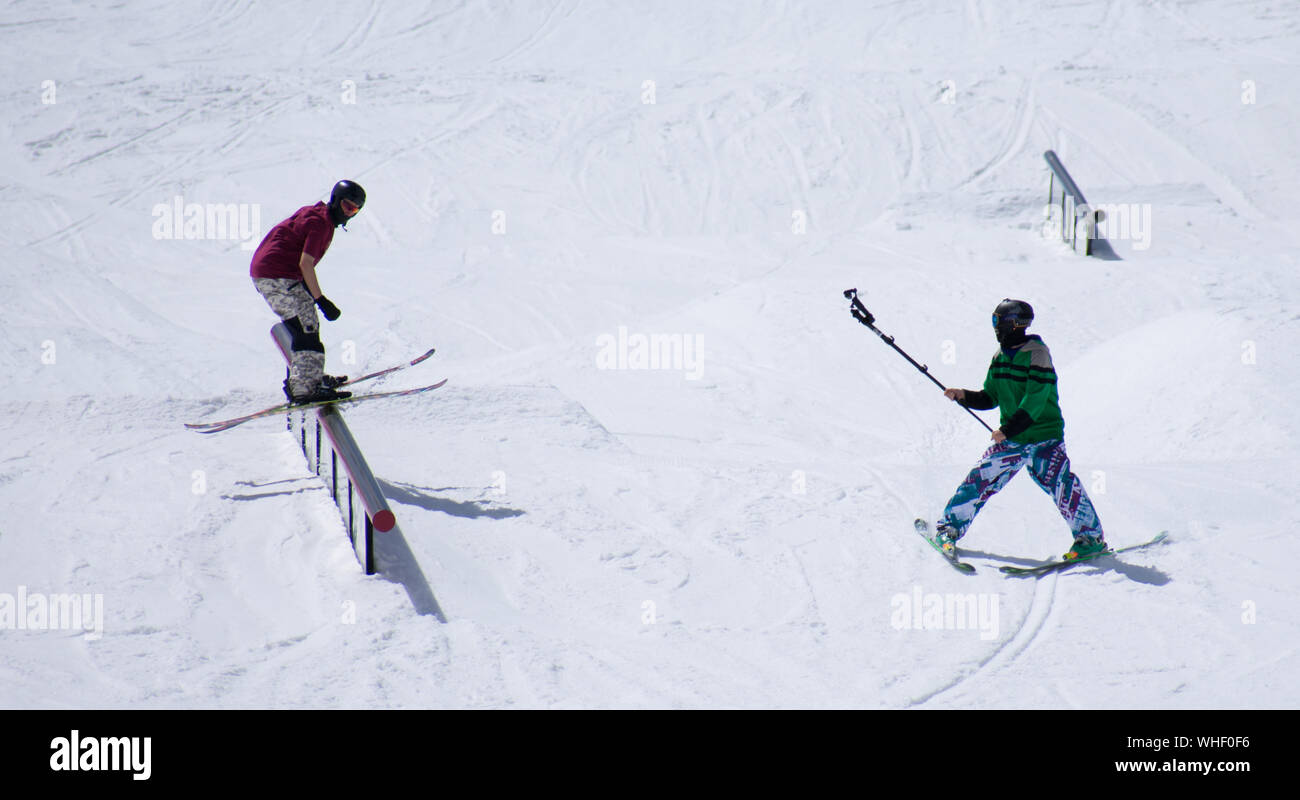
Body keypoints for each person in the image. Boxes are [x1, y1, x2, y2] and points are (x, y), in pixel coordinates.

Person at [932, 299, 1107, 562]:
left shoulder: (1037, 353)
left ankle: (1090, 539)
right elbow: (990, 397)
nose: (995, 327)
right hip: (1013, 438)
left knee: (1061, 484)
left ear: (1015, 324)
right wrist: (963, 395)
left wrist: (1008, 428)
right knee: (980, 479)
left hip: (1044, 437)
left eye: (997, 321)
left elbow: (1035, 400)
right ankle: (949, 529)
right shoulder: (999, 357)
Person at [249, 180, 366, 403]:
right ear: (335, 201)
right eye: (347, 207)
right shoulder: (321, 223)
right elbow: (306, 263)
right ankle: (303, 387)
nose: (349, 214)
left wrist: (311, 296)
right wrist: (321, 300)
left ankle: (310, 376)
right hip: (277, 274)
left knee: (303, 322)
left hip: (271, 273)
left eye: (355, 210)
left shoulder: (318, 216)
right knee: (307, 324)